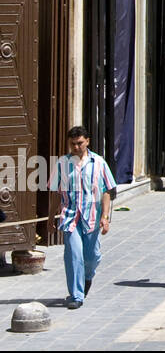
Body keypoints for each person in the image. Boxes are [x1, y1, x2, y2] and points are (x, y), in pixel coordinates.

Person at [53, 126, 116, 309]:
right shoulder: (62, 164)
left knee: (92, 257)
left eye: (80, 143)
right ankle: (76, 295)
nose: (76, 147)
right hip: (70, 217)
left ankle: (87, 278)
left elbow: (106, 191)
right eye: (73, 144)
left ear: (87, 141)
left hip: (92, 218)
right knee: (74, 255)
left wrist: (105, 217)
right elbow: (56, 193)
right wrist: (51, 217)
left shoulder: (99, 162)